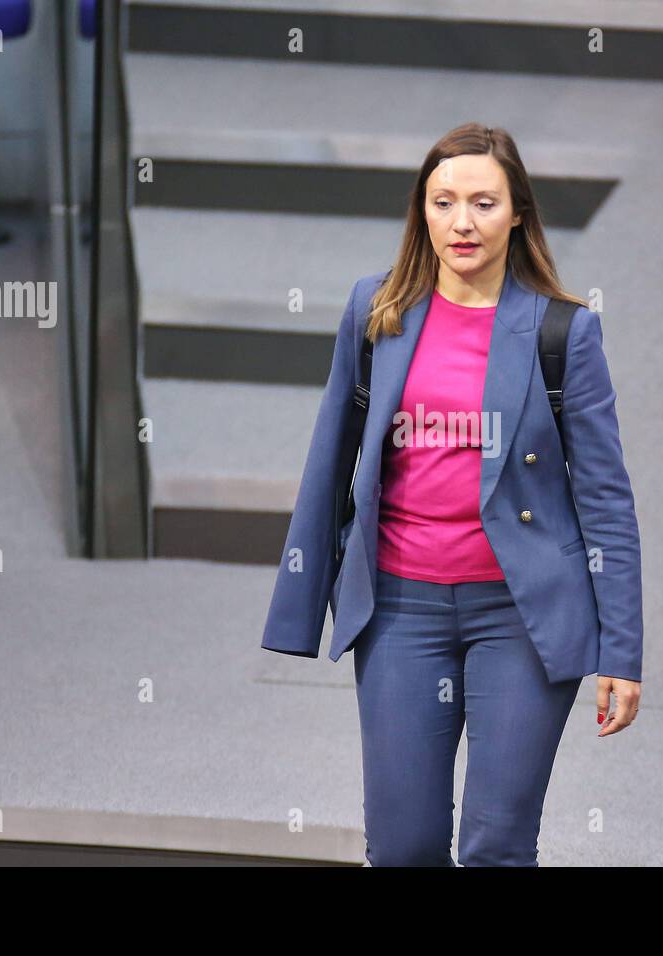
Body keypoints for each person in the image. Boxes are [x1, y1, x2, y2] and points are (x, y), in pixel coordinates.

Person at [261, 122, 643, 866]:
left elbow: (606, 501)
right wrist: (301, 607)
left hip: (522, 617)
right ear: (422, 212)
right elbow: (330, 461)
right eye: (443, 202)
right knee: (404, 848)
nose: (462, 222)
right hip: (400, 609)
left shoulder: (564, 333)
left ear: (517, 215)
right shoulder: (377, 310)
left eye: (483, 203)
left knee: (497, 845)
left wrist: (622, 652)